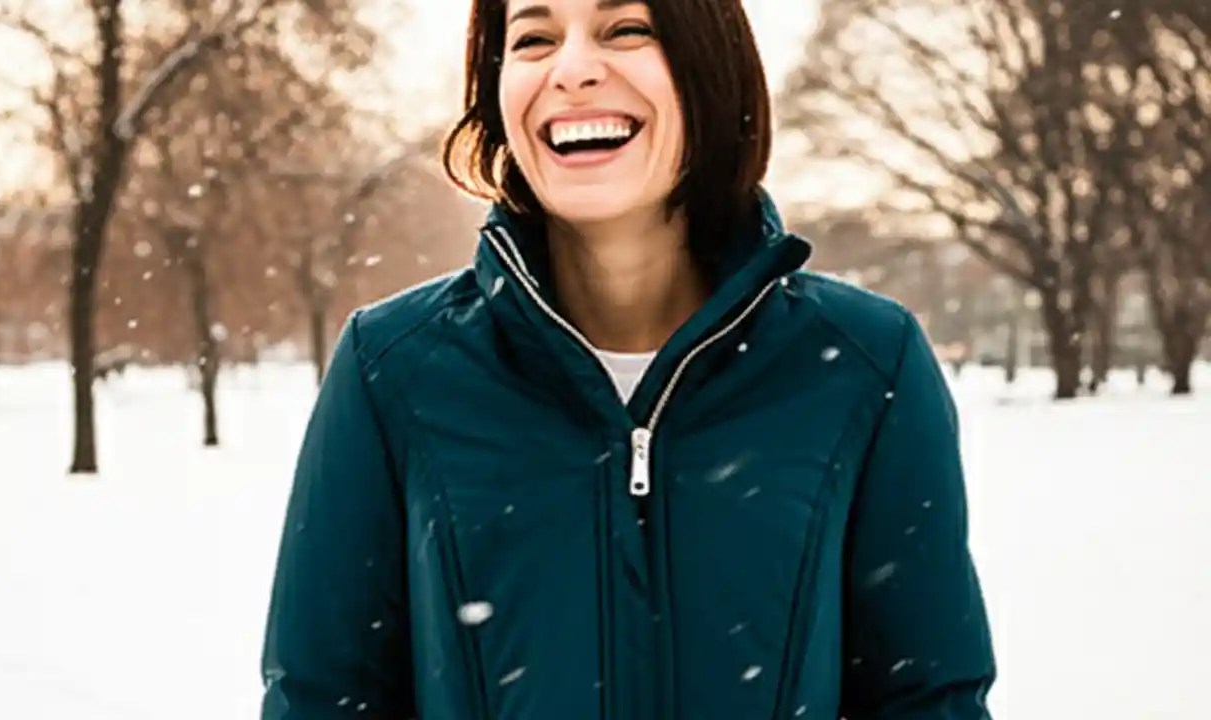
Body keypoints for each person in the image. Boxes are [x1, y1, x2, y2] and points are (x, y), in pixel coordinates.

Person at [259, 0, 997, 717]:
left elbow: (928, 700)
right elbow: (323, 701)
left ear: (709, 66)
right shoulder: (392, 370)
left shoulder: (866, 366)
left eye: (626, 28)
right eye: (533, 39)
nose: (573, 68)